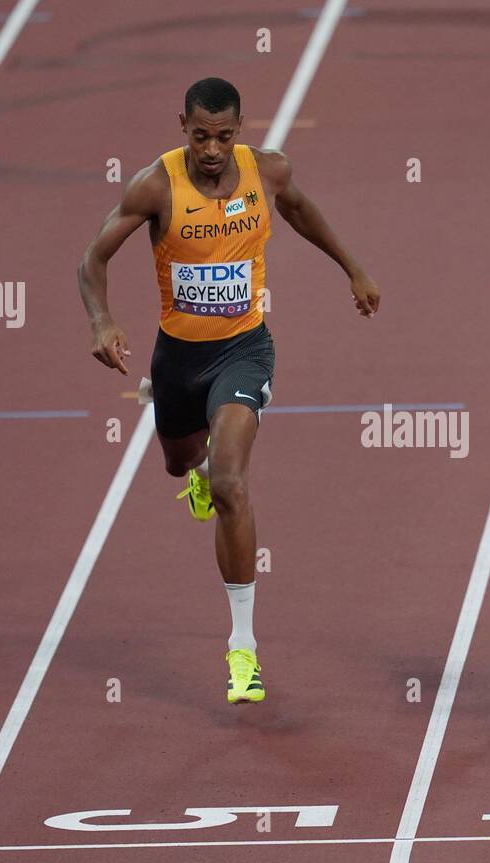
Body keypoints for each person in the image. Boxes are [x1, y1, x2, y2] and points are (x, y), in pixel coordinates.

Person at [78, 77, 381, 705]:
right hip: (176, 360)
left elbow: (298, 210)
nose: (212, 150)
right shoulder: (155, 185)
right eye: (199, 136)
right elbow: (92, 260)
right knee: (180, 461)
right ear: (181, 125)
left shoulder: (266, 171)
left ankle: (242, 646)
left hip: (244, 350)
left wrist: (352, 268)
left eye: (223, 136)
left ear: (239, 129)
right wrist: (103, 321)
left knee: (231, 483)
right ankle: (195, 468)